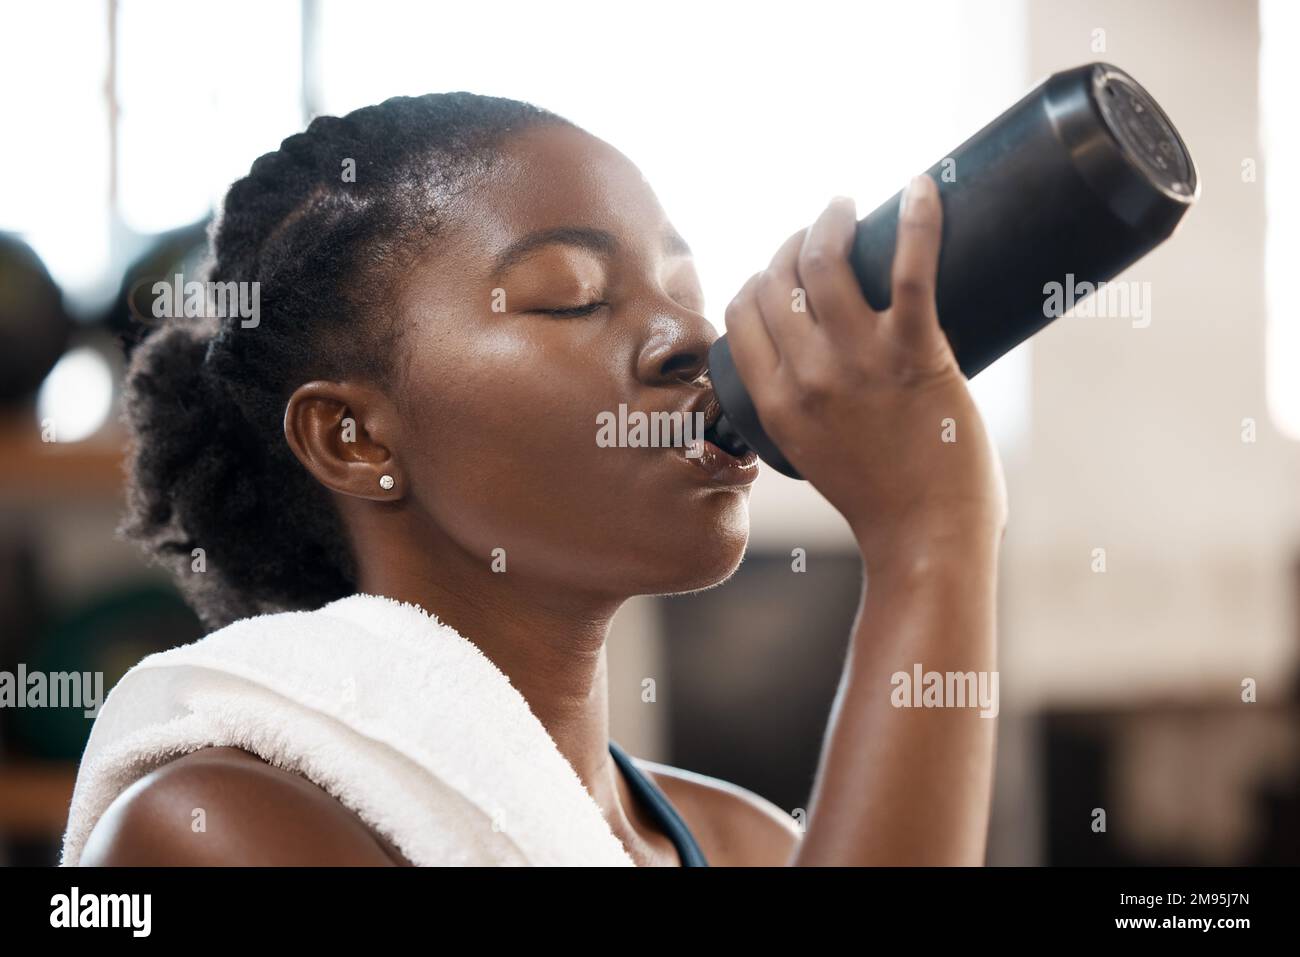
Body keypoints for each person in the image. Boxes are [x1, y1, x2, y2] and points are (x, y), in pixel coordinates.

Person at [78, 92, 1005, 866]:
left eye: (685, 286)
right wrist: (932, 537)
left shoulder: (749, 844)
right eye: (573, 295)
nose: (691, 336)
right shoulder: (207, 829)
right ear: (353, 436)